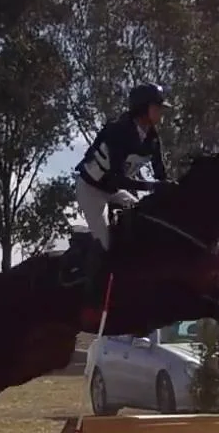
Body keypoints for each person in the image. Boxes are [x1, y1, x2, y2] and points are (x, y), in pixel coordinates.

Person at [69, 83, 172, 288]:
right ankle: (89, 280)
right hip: (91, 190)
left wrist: (171, 189)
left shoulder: (152, 137)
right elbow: (116, 177)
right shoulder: (118, 131)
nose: (161, 112)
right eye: (157, 107)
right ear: (143, 108)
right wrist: (151, 187)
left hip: (113, 189)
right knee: (106, 246)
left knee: (143, 219)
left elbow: (161, 174)